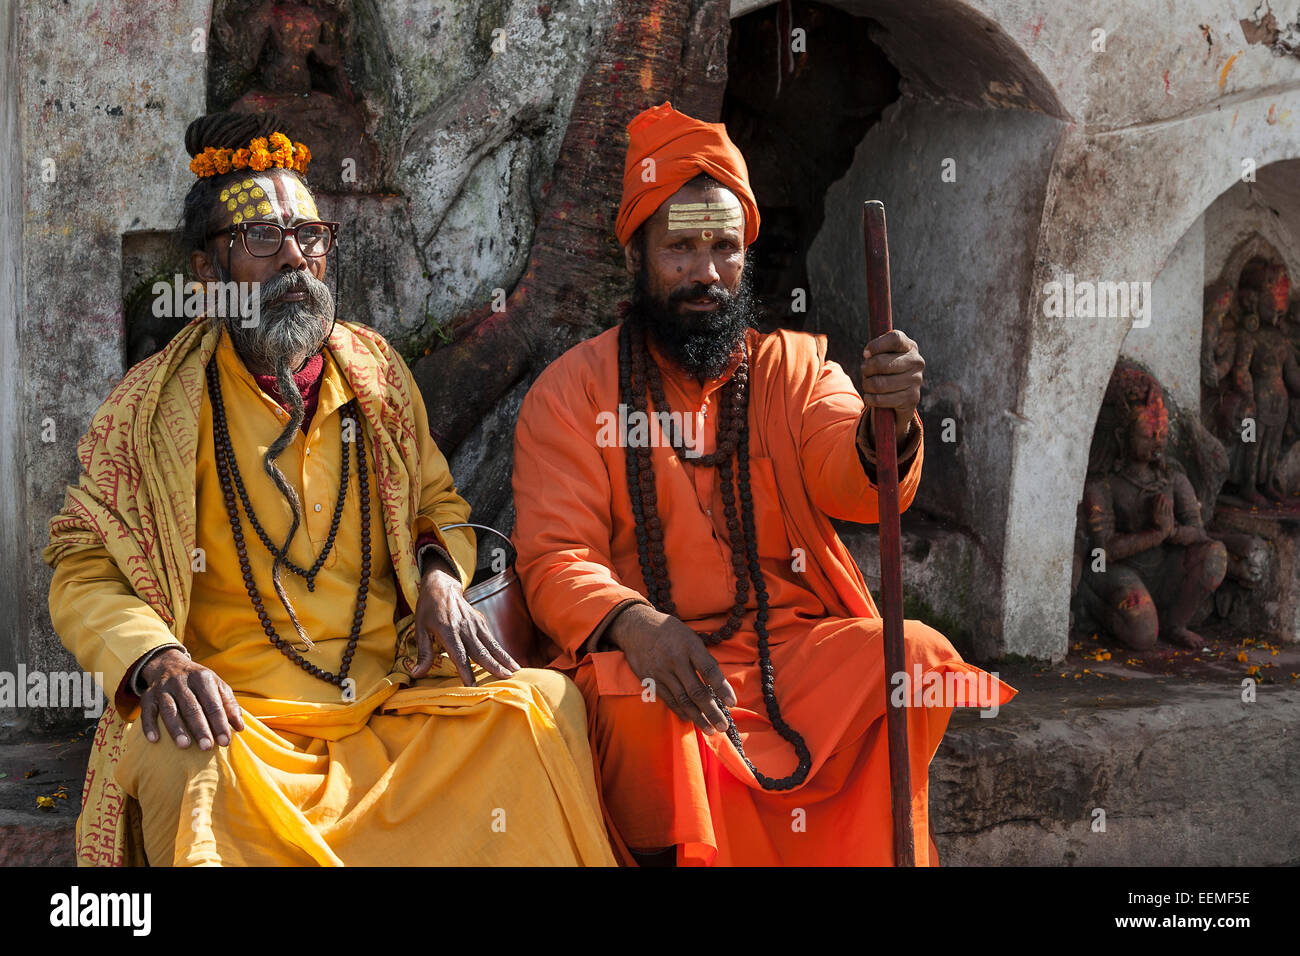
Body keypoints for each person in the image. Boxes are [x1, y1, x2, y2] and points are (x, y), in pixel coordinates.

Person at [44, 111, 614, 867]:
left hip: (386, 705)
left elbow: (437, 508)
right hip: (240, 728)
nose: (295, 262)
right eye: (262, 240)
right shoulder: (150, 410)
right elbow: (85, 567)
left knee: (542, 708)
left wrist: (440, 574)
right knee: (186, 766)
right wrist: (159, 662)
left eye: (309, 237)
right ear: (208, 272)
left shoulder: (375, 374)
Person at [511, 101, 1014, 866]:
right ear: (636, 254)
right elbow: (553, 559)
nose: (705, 272)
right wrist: (639, 627)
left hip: (791, 655)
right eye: (680, 248)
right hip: (649, 656)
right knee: (654, 709)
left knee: (913, 655)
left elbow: (853, 481)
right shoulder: (571, 392)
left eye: (724, 247)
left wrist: (892, 421)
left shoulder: (794, 370)